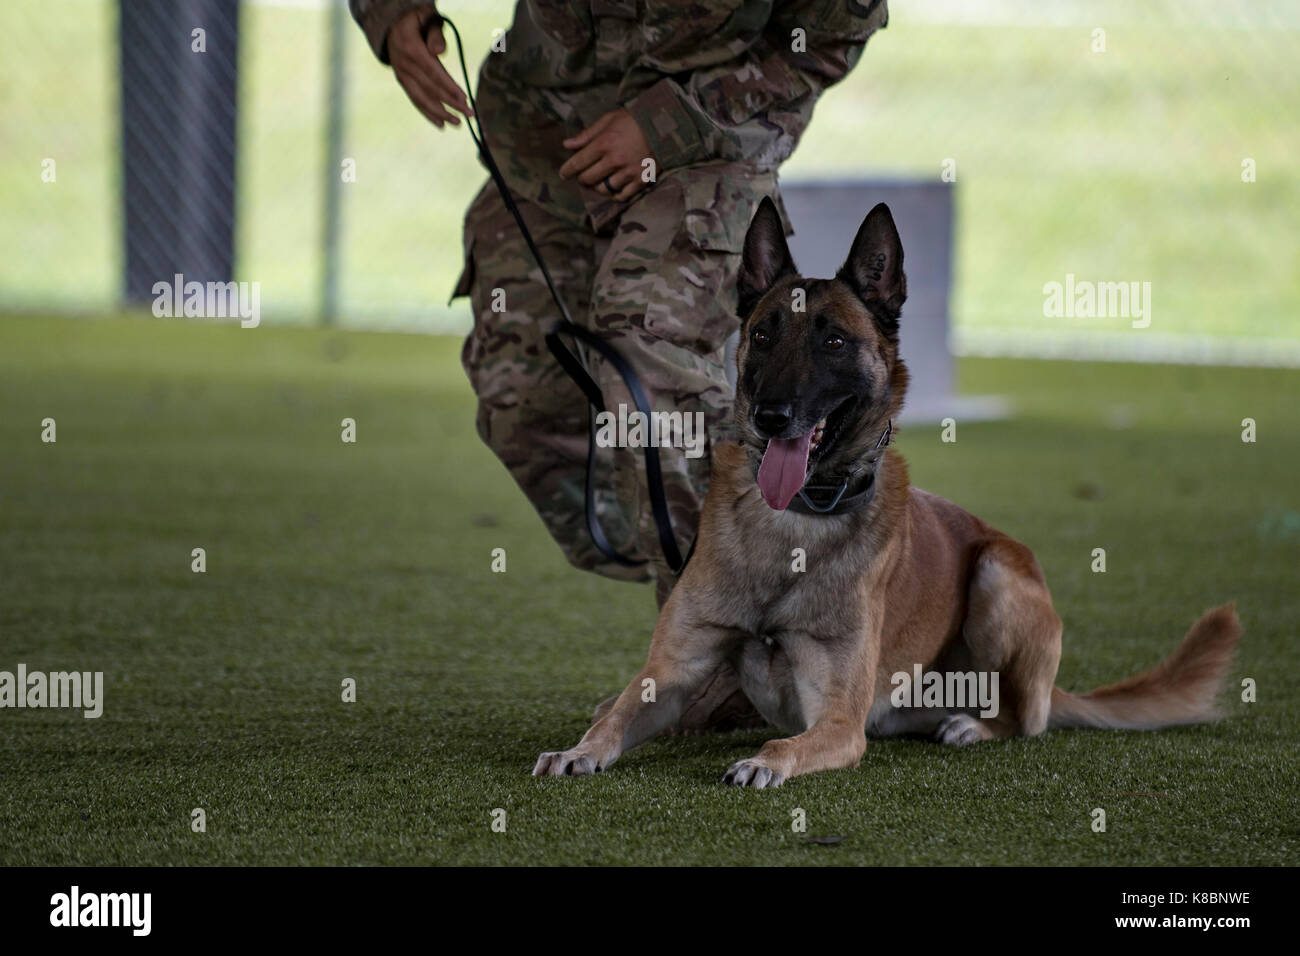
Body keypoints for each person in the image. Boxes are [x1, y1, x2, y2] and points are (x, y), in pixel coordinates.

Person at [349, 0, 890, 729]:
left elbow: (825, 38)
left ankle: (723, 661)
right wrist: (392, 14)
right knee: (522, 408)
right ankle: (753, 562)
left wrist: (665, 125)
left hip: (706, 145)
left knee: (652, 378)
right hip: (545, 142)